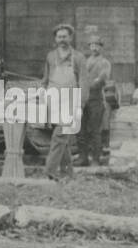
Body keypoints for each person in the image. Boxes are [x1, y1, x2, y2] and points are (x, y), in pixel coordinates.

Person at [41, 22, 85, 181]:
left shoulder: (79, 57)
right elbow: (45, 79)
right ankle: (68, 173)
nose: (62, 40)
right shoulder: (51, 56)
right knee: (63, 140)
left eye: (65, 36)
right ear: (55, 39)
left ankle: (50, 171)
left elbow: (84, 82)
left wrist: (81, 104)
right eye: (59, 37)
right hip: (54, 101)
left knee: (59, 136)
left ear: (71, 38)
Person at [78, 32, 112, 167]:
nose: (94, 48)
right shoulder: (85, 62)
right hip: (83, 99)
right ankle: (83, 158)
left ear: (101, 47)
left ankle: (96, 159)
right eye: (92, 45)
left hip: (96, 99)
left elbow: (101, 80)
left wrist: (86, 85)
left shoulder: (104, 63)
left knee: (95, 130)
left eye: (97, 45)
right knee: (81, 130)